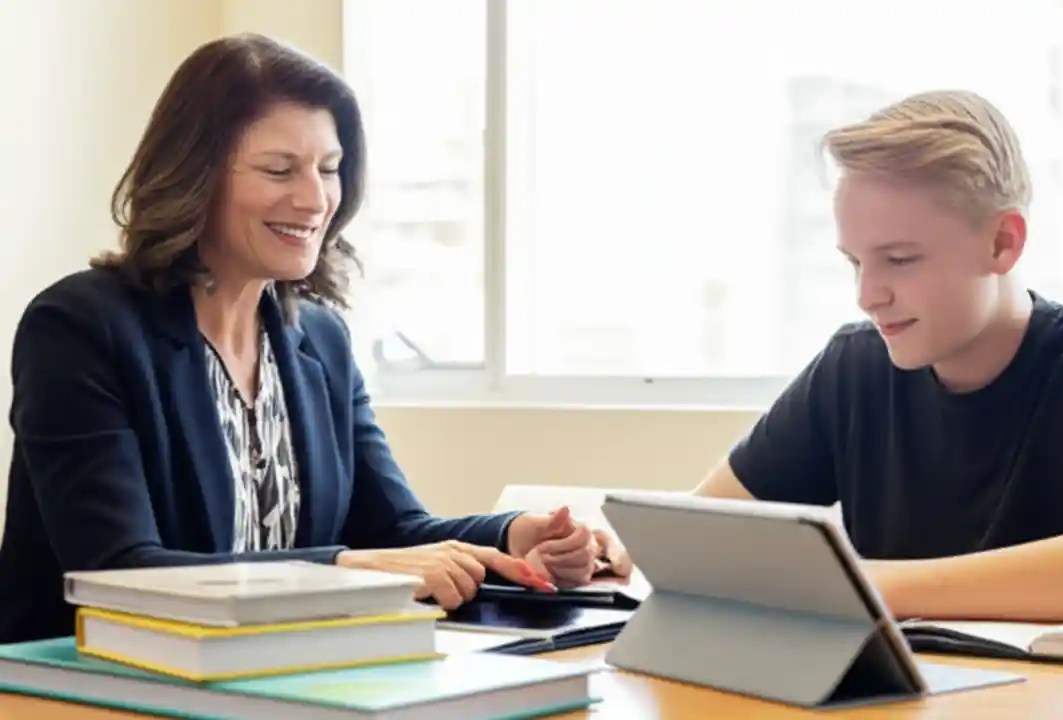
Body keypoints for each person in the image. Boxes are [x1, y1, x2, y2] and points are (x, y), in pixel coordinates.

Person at [0, 33, 629, 644]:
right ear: (196, 175)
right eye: (280, 170)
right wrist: (342, 568)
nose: (315, 199)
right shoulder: (77, 328)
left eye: (329, 170)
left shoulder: (320, 338)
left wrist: (514, 537)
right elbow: (119, 572)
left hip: (278, 677)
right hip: (87, 684)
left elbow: (393, 529)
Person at [695, 89, 1063, 622]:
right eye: (855, 262)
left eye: (899, 259)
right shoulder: (852, 371)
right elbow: (694, 536)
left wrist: (866, 586)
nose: (867, 295)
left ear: (1002, 243)